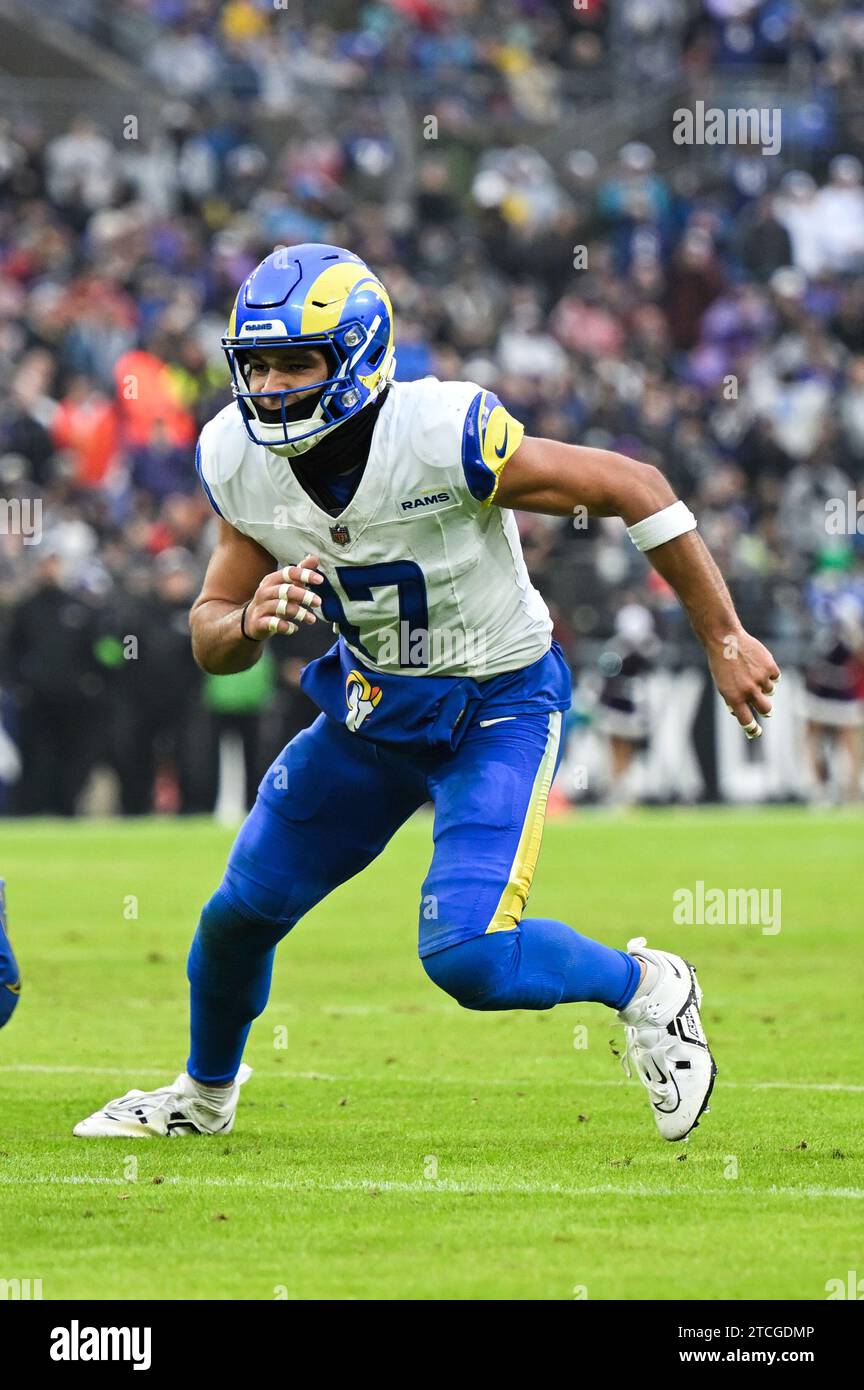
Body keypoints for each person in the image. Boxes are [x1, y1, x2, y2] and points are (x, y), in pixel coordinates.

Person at [74, 243, 780, 1144]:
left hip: (497, 705)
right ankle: (203, 1100)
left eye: (299, 361)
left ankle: (649, 987)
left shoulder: (443, 433)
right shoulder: (237, 458)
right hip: (371, 713)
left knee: (472, 959)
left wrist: (722, 635)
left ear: (361, 355)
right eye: (259, 364)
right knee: (236, 916)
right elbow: (211, 633)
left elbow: (635, 486)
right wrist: (247, 619)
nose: (275, 385)